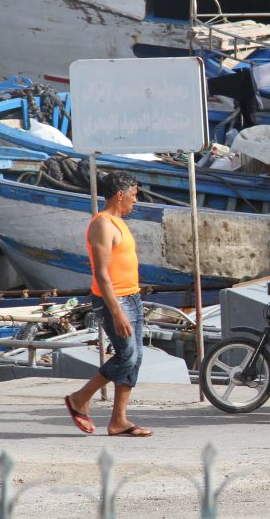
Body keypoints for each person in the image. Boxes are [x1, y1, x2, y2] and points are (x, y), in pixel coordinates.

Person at [64, 171, 153, 437]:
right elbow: (101, 273)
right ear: (120, 194)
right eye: (134, 196)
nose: (135, 202)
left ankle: (119, 421)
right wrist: (116, 312)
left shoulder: (119, 222)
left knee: (135, 359)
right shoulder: (102, 224)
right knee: (127, 355)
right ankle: (80, 398)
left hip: (132, 297)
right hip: (115, 300)